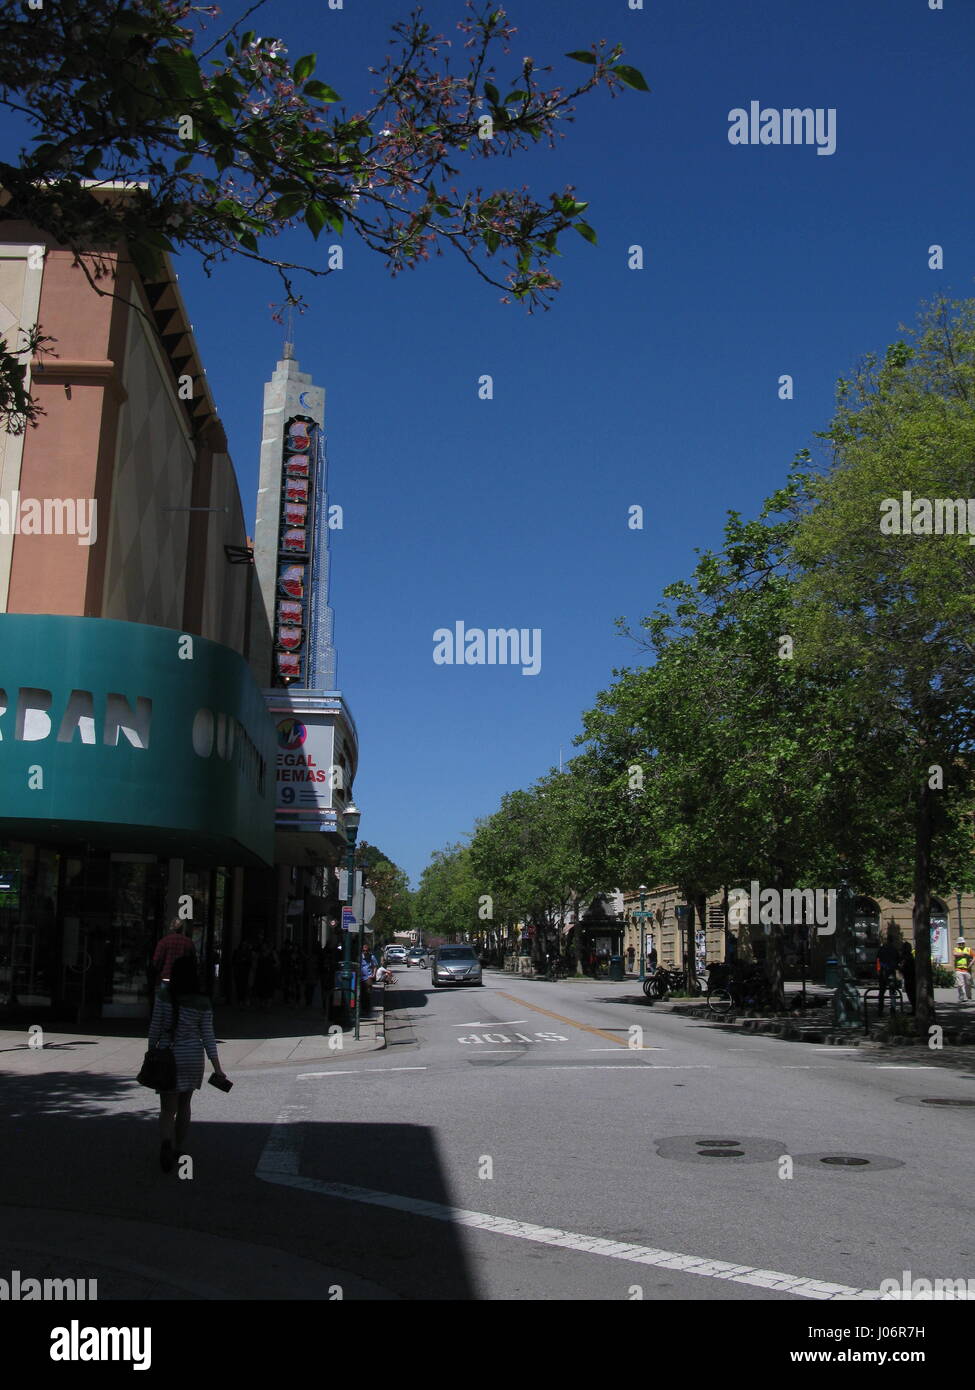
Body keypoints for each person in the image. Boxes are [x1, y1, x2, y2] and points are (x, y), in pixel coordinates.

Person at [148, 953, 226, 1172]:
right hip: (192, 1056)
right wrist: (217, 1067)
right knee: (184, 1106)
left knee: (167, 1108)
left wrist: (151, 1051)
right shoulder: (202, 1001)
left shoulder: (164, 996)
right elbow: (208, 1036)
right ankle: (178, 1147)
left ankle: (165, 1141)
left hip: (168, 1055)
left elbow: (155, 1027)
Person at [152, 918, 195, 985]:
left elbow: (157, 960)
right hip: (183, 978)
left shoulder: (164, 941)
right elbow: (193, 961)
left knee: (165, 994)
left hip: (167, 977)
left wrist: (159, 972)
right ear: (182, 928)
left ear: (172, 928)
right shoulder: (189, 942)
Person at [876, 938, 900, 1015]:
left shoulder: (882, 949)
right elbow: (898, 960)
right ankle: (893, 1009)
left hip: (883, 972)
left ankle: (880, 1009)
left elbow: (878, 960)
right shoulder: (894, 949)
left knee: (882, 991)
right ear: (892, 942)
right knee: (892, 991)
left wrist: (878, 970)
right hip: (891, 972)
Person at [232, 936, 253, 1008]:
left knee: (244, 986)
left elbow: (250, 962)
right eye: (243, 944)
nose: (244, 945)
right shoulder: (237, 951)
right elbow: (234, 961)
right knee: (239, 986)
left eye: (245, 944)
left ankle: (242, 1000)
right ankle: (240, 1000)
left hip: (245, 971)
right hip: (239, 971)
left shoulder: (248, 952)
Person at [953, 938, 973, 1002]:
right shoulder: (956, 949)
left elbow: (974, 956)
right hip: (958, 969)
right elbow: (955, 954)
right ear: (958, 944)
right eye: (959, 943)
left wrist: (971, 963)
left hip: (967, 970)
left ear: (964, 943)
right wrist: (965, 954)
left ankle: (969, 996)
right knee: (960, 984)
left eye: (962, 943)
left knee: (968, 984)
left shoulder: (968, 949)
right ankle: (962, 997)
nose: (961, 944)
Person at [898, 941, 916, 1013]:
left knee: (911, 994)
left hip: (910, 978)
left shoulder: (906, 957)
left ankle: (914, 1009)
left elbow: (905, 967)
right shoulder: (909, 956)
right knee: (911, 994)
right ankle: (914, 1009)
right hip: (910, 977)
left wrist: (900, 968)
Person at [360, 947, 378, 1014]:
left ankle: (367, 1009)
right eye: (364, 951)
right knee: (361, 993)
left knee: (367, 993)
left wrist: (373, 975)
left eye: (366, 951)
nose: (365, 952)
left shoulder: (372, 957)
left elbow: (375, 966)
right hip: (360, 977)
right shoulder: (360, 957)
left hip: (368, 977)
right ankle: (362, 1008)